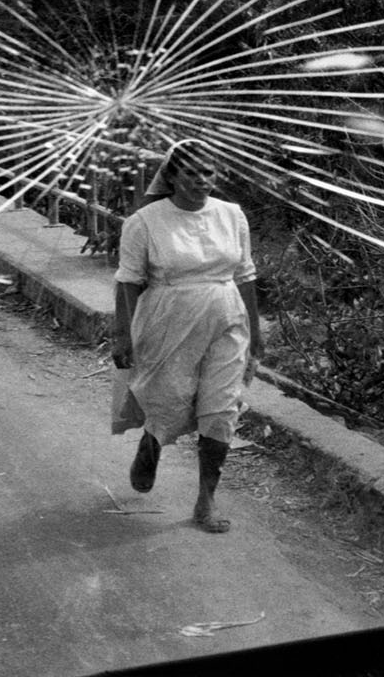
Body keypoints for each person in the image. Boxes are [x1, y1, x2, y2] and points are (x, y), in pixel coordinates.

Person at [110, 140, 263, 534]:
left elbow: (245, 276)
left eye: (208, 172)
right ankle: (152, 443)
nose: (202, 181)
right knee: (168, 400)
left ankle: (205, 501)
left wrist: (256, 336)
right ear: (172, 177)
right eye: (192, 173)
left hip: (227, 317)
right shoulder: (145, 222)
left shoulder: (232, 215)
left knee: (221, 407)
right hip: (168, 320)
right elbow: (127, 282)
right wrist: (122, 336)